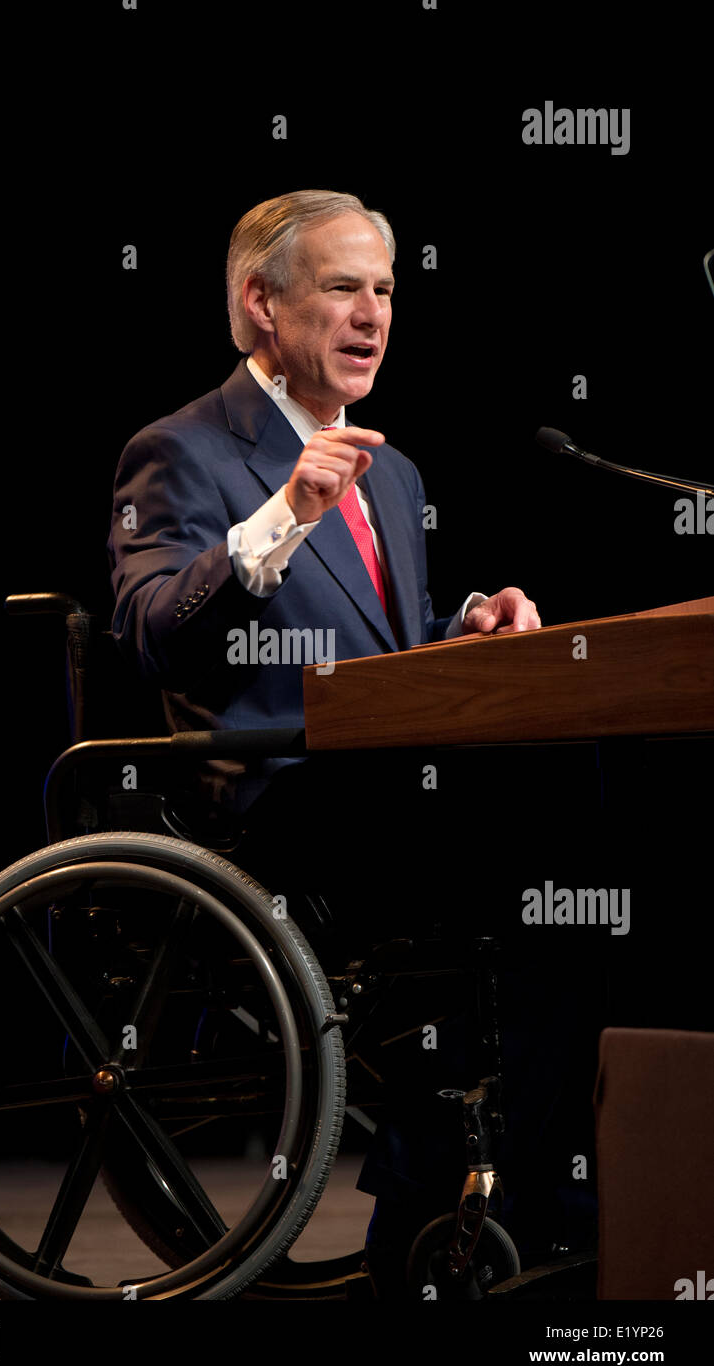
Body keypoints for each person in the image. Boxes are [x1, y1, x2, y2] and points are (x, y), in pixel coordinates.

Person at [106, 190, 598, 1298]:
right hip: (276, 806)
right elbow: (152, 638)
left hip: (393, 788)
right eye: (341, 286)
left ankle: (492, 1202)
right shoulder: (180, 451)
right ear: (259, 304)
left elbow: (387, 652)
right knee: (536, 843)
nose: (371, 311)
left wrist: (463, 623)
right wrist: (281, 513)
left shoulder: (395, 470)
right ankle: (464, 1199)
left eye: (383, 288)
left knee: (578, 840)